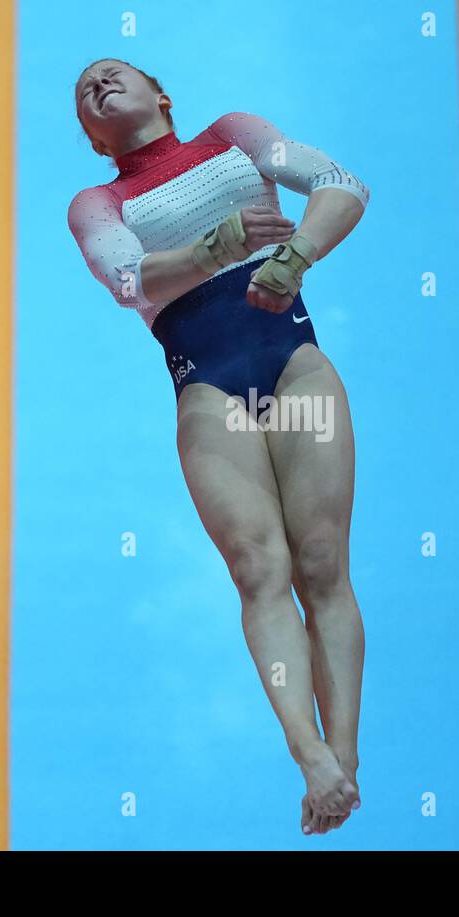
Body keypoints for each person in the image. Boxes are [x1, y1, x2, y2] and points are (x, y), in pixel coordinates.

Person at [69, 58, 370, 836]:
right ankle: (307, 755)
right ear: (91, 137)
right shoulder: (98, 201)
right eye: (84, 92)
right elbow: (130, 280)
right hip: (207, 386)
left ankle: (344, 758)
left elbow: (342, 184)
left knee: (322, 566)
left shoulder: (233, 137)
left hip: (295, 365)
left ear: (161, 94)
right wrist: (217, 247)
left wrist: (294, 255)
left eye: (113, 74)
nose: (97, 82)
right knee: (260, 569)